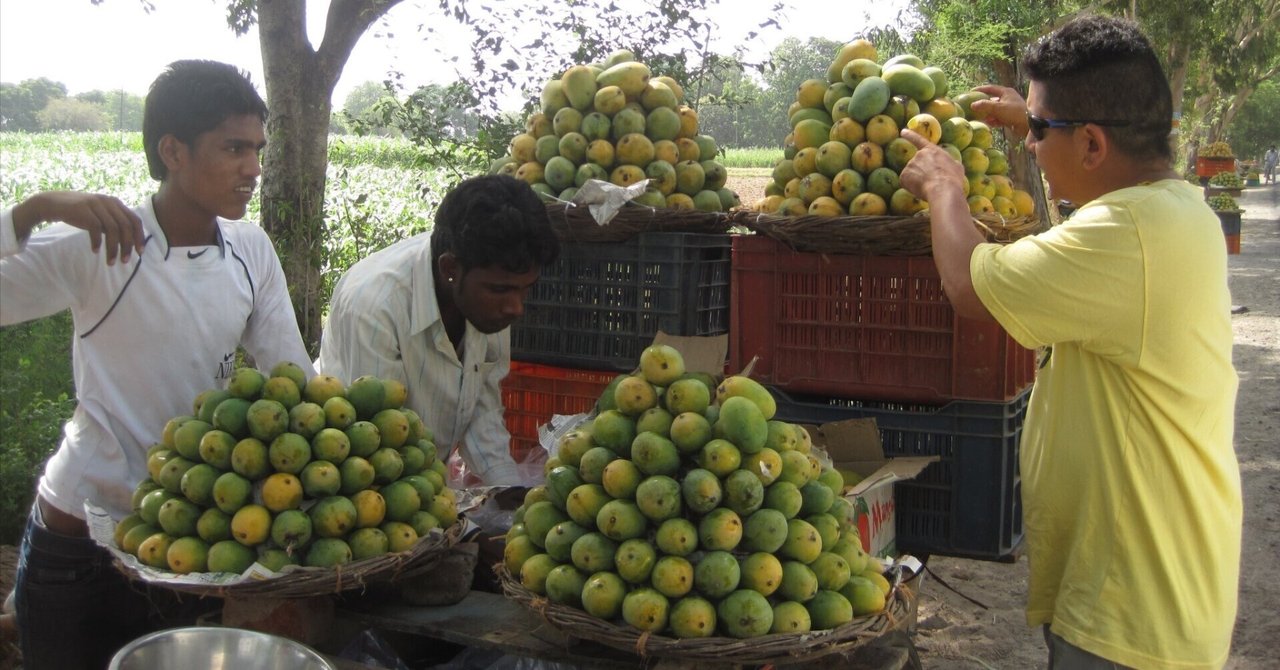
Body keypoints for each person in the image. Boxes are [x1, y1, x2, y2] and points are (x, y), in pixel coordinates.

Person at [898, 15, 1240, 670]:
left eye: (1038, 131)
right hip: (1158, 589)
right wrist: (1030, 120)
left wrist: (945, 189)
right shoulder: (1171, 210)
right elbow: (1088, 237)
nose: (1028, 145)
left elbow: (971, 288)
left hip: (1132, 613)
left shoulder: (1126, 235)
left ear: (1091, 144)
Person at [0, 60, 314, 668]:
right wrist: (34, 208)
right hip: (83, 544)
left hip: (191, 540)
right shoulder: (103, 243)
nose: (253, 169)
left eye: (257, 149)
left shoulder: (249, 248)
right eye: (233, 148)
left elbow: (290, 381)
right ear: (172, 150)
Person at [317, 174, 560, 486]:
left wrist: (506, 495)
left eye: (524, 290)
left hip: (428, 486)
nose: (516, 308)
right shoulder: (375, 307)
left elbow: (483, 412)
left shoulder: (489, 295)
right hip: (364, 490)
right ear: (450, 269)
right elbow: (379, 444)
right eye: (501, 290)